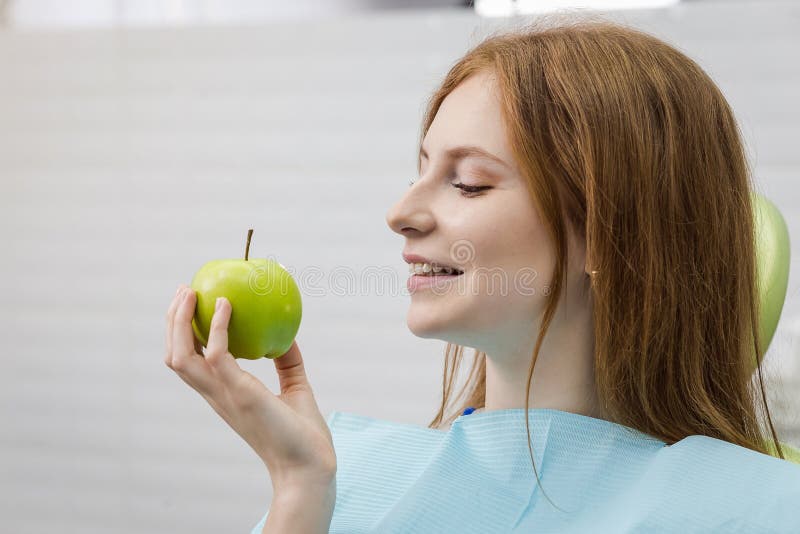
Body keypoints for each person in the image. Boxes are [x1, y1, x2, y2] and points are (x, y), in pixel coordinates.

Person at [165, 15, 800, 534]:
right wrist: (300, 492)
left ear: (609, 231)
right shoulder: (335, 468)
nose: (401, 213)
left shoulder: (766, 508)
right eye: (420, 170)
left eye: (468, 183)